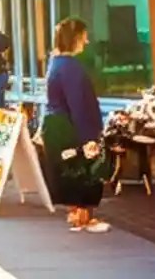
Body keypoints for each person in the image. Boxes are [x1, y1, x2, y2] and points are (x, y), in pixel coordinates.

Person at [43, 17, 110, 233]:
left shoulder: (55, 62)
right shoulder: (71, 68)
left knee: (68, 170)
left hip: (56, 126)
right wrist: (89, 136)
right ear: (75, 39)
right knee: (84, 169)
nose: (87, 41)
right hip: (70, 126)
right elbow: (79, 104)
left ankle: (75, 214)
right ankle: (84, 217)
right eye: (84, 36)